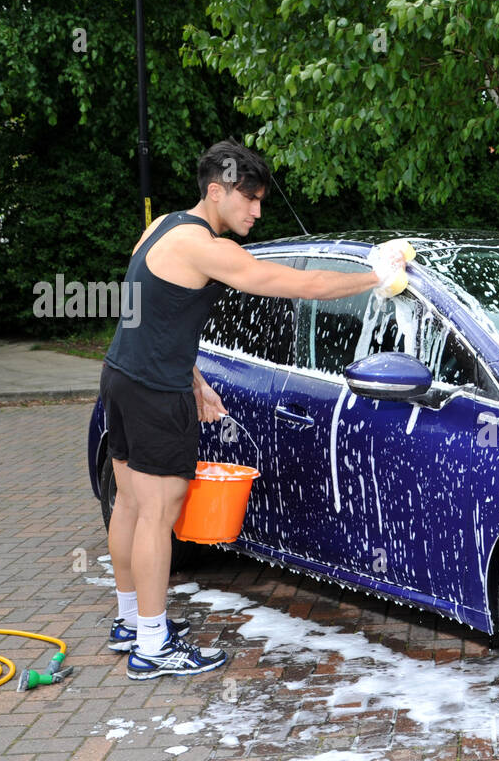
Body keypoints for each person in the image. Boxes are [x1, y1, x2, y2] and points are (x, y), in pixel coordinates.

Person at [101, 139, 407, 680]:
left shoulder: (162, 227)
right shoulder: (206, 248)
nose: (257, 211)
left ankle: (131, 623)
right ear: (216, 192)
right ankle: (152, 646)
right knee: (157, 513)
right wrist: (375, 277)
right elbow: (299, 284)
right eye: (250, 199)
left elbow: (146, 314)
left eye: (262, 199)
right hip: (153, 394)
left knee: (129, 505)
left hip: (124, 378)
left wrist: (193, 380)